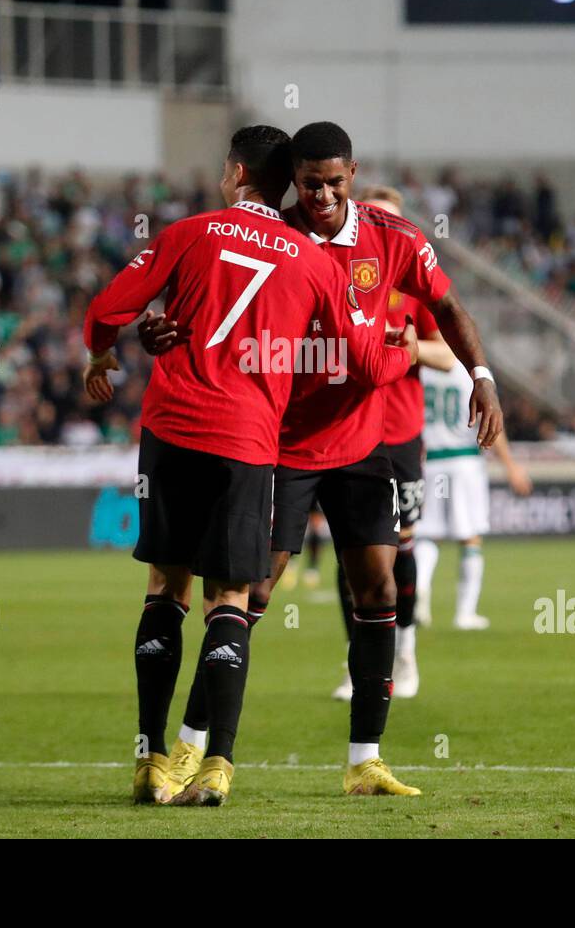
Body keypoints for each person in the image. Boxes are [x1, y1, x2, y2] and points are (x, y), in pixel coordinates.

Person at [148, 122, 503, 797]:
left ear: (352, 173)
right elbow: (211, 319)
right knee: (248, 596)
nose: (323, 195)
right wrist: (161, 333)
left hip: (365, 445)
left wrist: (482, 377)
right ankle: (191, 747)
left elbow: (448, 306)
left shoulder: (392, 239)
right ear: (294, 180)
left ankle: (364, 759)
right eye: (310, 183)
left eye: (335, 182)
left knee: (380, 590)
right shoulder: (268, 239)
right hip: (281, 447)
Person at [83, 125, 416, 806]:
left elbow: (106, 309)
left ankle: (151, 758)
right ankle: (217, 767)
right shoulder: (314, 261)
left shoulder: (190, 233)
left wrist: (102, 352)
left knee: (164, 588)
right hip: (248, 441)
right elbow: (365, 360)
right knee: (230, 600)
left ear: (235, 172)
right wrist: (402, 351)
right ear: (286, 181)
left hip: (172, 428)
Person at [330, 185, 456, 702]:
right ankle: (358, 659)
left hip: (399, 434)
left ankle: (404, 653)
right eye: (377, 220)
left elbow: (448, 355)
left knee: (401, 544)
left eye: (397, 223)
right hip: (344, 432)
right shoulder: (337, 274)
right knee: (350, 555)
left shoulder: (412, 285)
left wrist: (410, 350)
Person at [414, 362, 532, 629]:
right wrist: (511, 467)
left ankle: (419, 590)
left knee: (427, 533)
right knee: (470, 538)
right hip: (463, 463)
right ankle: (465, 613)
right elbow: (490, 420)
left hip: (429, 461)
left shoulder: (422, 366)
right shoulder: (471, 370)